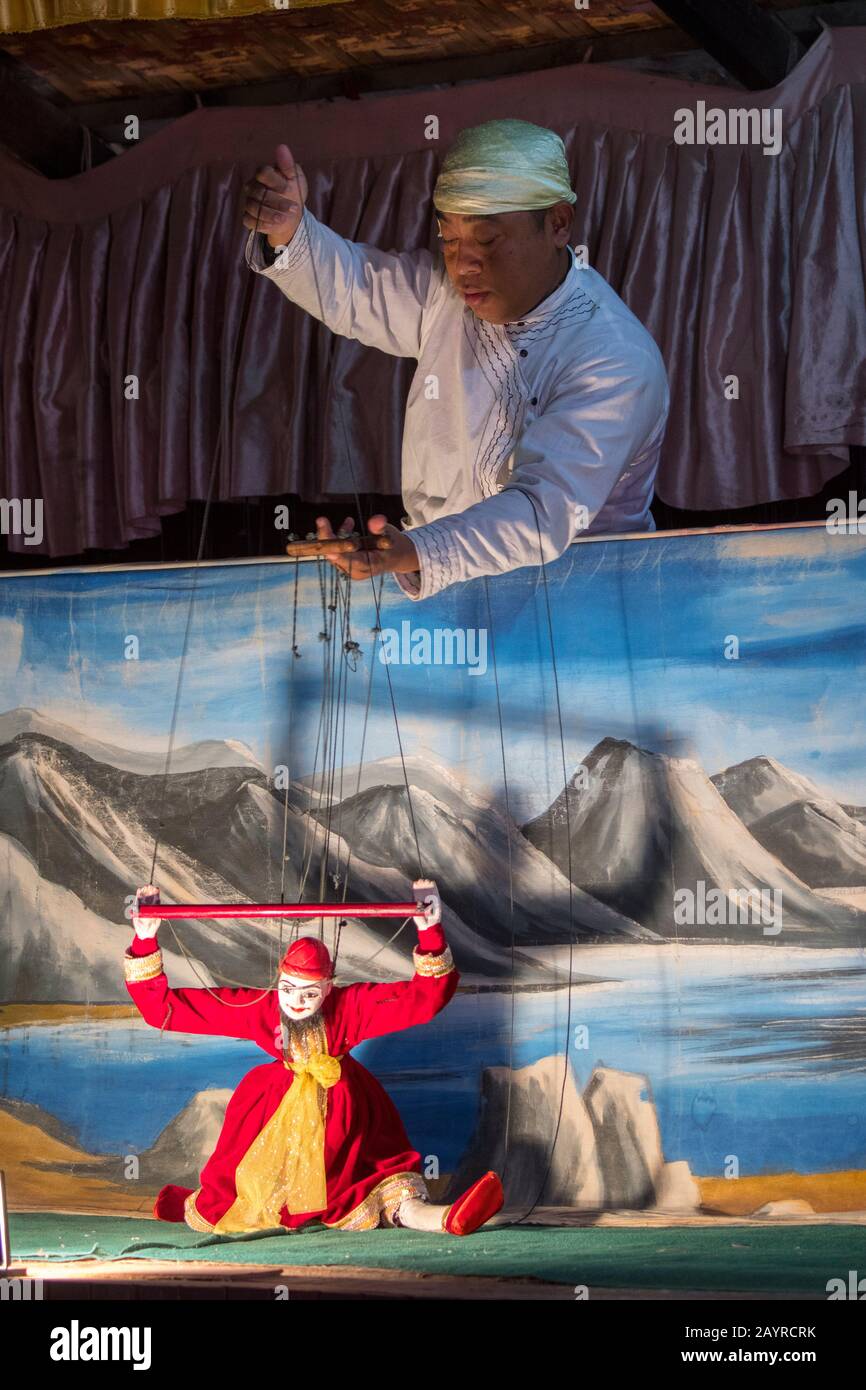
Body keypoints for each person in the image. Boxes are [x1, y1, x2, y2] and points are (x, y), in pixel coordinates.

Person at [242, 117, 670, 601]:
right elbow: (353, 288)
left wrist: (414, 551)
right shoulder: (444, 297)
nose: (463, 265)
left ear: (558, 223)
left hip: (586, 606)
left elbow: (543, 512)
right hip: (449, 600)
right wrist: (290, 231)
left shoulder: (614, 357)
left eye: (487, 240)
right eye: (449, 239)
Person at [125, 881, 503, 1235]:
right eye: (288, 989)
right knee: (233, 1193)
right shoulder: (261, 1007)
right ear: (278, 981)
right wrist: (144, 939)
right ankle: (196, 1205)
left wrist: (429, 930)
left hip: (344, 1114)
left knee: (373, 1180)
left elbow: (425, 998)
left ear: (329, 987)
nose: (296, 1001)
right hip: (270, 1109)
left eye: (310, 993)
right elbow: (167, 1011)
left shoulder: (352, 1006)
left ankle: (440, 1218)